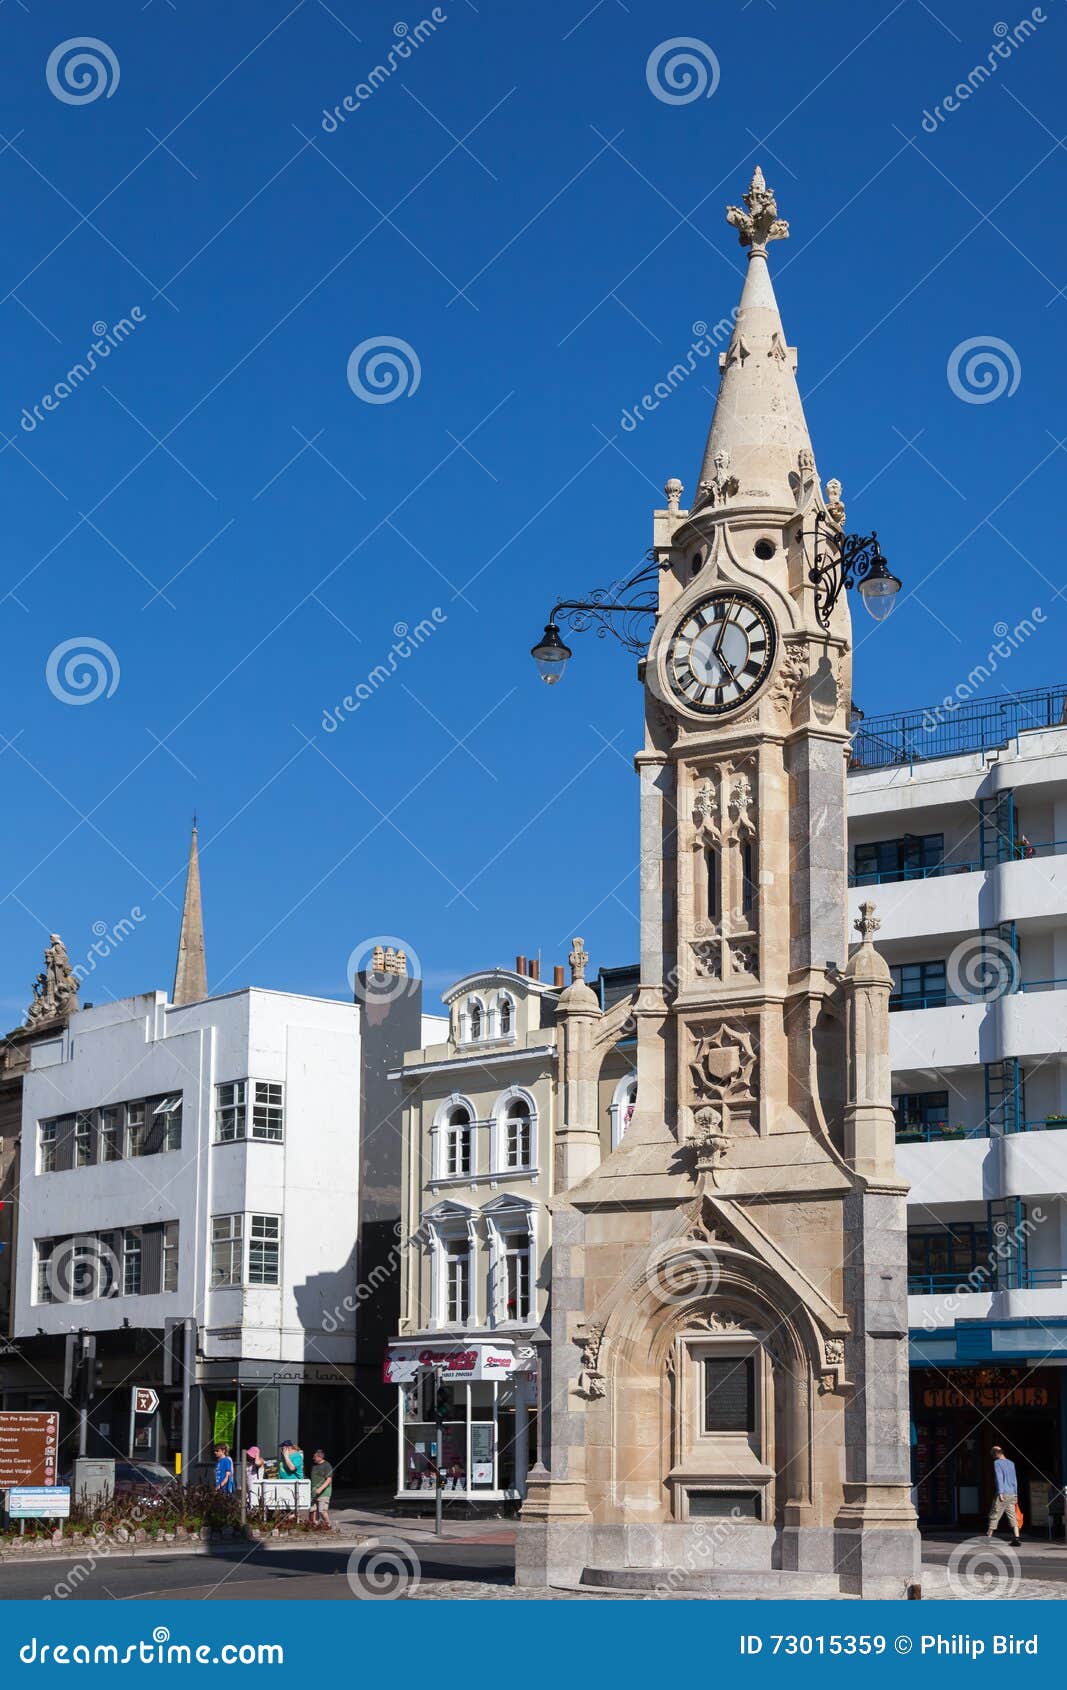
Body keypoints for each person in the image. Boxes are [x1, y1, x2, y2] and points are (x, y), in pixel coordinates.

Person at [987, 1444, 1021, 1546]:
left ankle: (988, 1538)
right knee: (1012, 1516)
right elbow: (1014, 1480)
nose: (993, 1457)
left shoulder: (997, 1463)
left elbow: (999, 1477)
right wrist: (1016, 1494)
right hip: (1012, 1494)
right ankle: (1016, 1538)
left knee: (994, 1514)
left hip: (1003, 1494)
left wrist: (1000, 1492)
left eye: (993, 1455)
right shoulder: (1011, 1463)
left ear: (995, 1454)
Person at [310, 1448, 333, 1527]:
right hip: (313, 1492)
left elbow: (329, 1480)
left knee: (322, 1510)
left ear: (320, 1457)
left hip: (324, 1492)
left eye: (315, 1457)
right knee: (312, 1510)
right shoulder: (314, 1465)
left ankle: (328, 1525)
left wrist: (320, 1489)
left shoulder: (327, 1465)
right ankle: (315, 1525)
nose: (313, 1458)